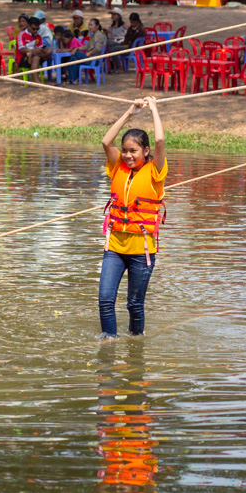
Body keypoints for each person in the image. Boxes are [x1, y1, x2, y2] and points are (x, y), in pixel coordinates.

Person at [98, 96, 166, 338]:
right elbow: (106, 140)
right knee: (105, 300)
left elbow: (159, 139)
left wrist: (154, 109)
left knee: (134, 304)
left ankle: (136, 343)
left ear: (145, 151)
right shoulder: (118, 166)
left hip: (141, 249)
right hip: (115, 246)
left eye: (133, 151)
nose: (127, 155)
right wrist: (130, 112)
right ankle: (109, 344)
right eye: (125, 150)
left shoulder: (155, 170)